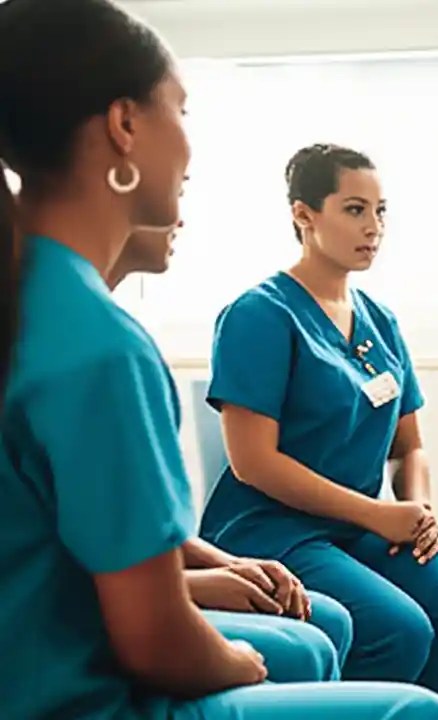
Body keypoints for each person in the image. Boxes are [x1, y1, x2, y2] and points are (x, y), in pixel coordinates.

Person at [0, 0, 438, 717]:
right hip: (75, 693)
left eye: (381, 210)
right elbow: (156, 640)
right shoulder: (100, 344)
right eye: (180, 110)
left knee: (364, 624)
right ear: (124, 127)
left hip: (39, 654)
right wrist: (244, 664)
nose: (188, 150)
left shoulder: (38, 300)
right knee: (413, 709)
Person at [198, 142, 438, 695]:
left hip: (356, 528)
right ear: (303, 215)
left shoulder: (380, 320)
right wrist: (378, 516)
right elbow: (253, 463)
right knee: (397, 629)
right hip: (271, 530)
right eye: (355, 210)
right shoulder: (260, 315)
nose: (374, 227)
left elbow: (410, 446)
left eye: (381, 212)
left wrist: (419, 512)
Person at [109, 224, 354, 684]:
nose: (181, 218)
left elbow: (135, 528)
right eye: (356, 211)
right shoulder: (90, 347)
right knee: (327, 653)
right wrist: (195, 590)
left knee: (334, 623)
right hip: (74, 647)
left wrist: (225, 565)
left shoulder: (109, 332)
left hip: (151, 579)